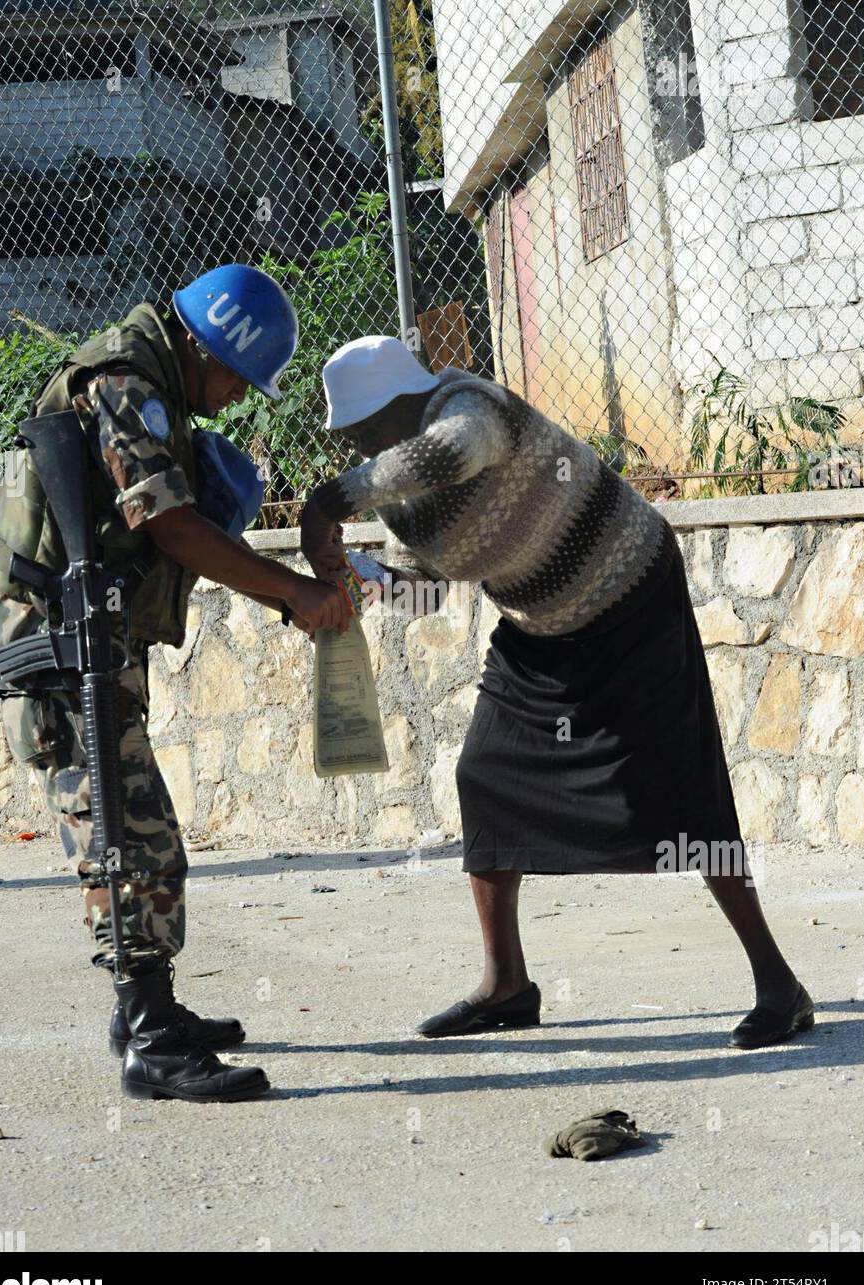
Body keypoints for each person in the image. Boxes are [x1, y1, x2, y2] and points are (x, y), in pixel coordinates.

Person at [300, 335, 813, 1050]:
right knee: (484, 775)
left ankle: (778, 985)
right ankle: (506, 985)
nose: (355, 444)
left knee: (681, 796)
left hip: (631, 602)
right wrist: (355, 585)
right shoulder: (397, 496)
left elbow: (455, 452)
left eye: (361, 427)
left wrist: (332, 501)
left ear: (401, 401)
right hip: (538, 634)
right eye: (348, 436)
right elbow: (434, 586)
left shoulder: (470, 406)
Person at [0, 265, 351, 1103]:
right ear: (205, 348)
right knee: (129, 837)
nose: (232, 398)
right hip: (54, 641)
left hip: (88, 632)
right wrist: (292, 590)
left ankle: (146, 1011)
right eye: (234, 378)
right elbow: (170, 524)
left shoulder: (151, 384)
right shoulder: (124, 383)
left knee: (136, 827)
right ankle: (148, 1044)